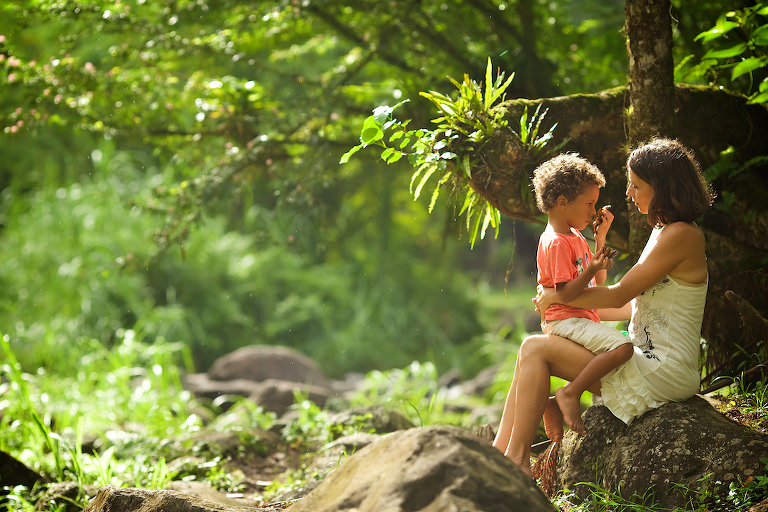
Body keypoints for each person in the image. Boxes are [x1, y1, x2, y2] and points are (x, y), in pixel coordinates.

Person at [492, 137, 714, 476]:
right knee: (530, 349)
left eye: (636, 185)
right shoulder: (663, 231)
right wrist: (565, 305)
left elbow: (616, 295)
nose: (628, 192)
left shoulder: (680, 235)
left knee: (536, 350)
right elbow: (628, 306)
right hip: (648, 358)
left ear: (662, 187)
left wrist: (559, 297)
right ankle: (498, 456)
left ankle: (517, 462)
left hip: (662, 369)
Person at [528, 153, 634, 436]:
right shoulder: (555, 242)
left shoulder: (575, 237)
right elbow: (566, 294)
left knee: (622, 350)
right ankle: (570, 393)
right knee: (623, 348)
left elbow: (597, 281)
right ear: (563, 203)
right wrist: (590, 272)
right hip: (566, 321)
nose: (593, 211)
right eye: (589, 204)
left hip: (581, 319)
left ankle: (554, 404)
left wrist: (599, 242)